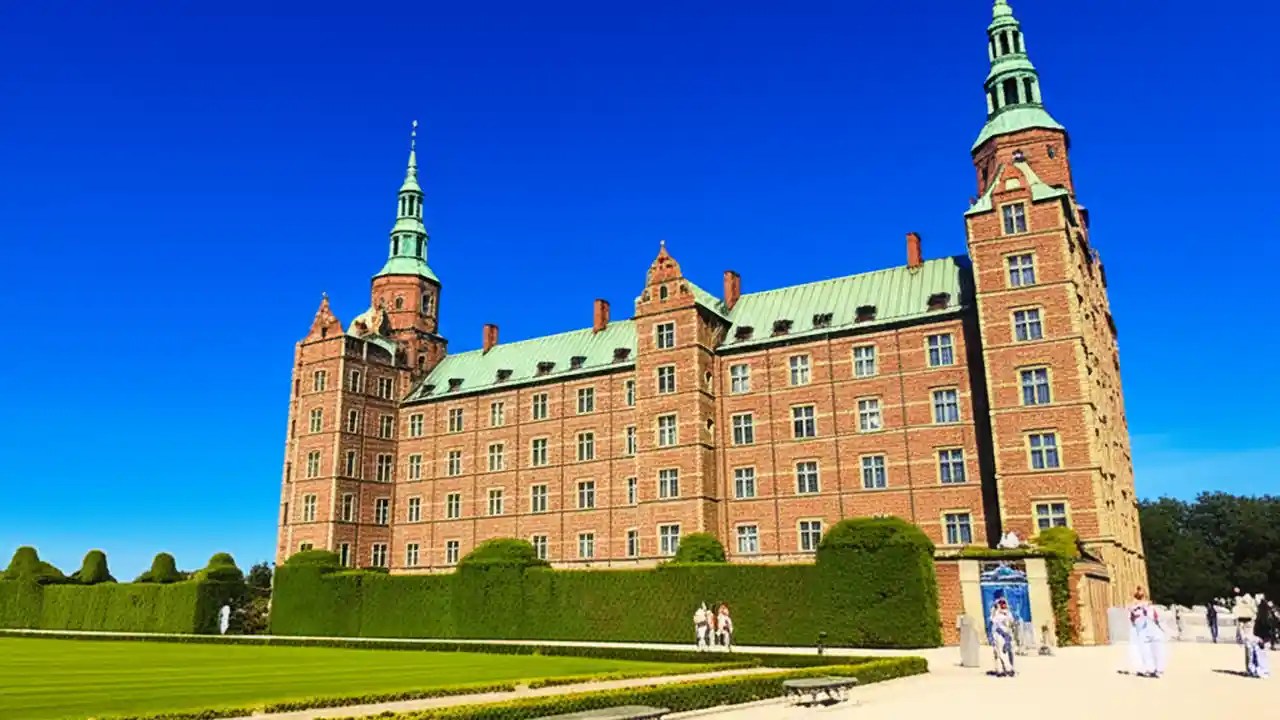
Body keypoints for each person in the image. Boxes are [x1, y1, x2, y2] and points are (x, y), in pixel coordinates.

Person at [1129, 587, 1167, 678]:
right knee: (1152, 649)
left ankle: (1152, 669)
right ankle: (1155, 669)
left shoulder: (1136, 606)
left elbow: (1132, 618)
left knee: (1149, 649)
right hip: (1146, 628)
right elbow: (1155, 617)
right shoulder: (1145, 605)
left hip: (1146, 628)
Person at [1246, 598, 1275, 678]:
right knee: (1262, 655)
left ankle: (1258, 670)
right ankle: (1262, 670)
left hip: (1259, 638)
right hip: (1264, 638)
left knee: (1258, 655)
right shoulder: (1269, 616)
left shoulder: (1260, 617)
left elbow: (1259, 629)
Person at [989, 597, 1016, 677]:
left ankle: (1009, 667)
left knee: (1009, 652)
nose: (1003, 604)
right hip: (999, 635)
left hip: (1008, 635)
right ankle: (1003, 669)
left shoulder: (1008, 613)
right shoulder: (996, 613)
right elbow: (994, 625)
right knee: (1000, 652)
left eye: (1004, 603)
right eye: (1001, 603)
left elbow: (1011, 623)